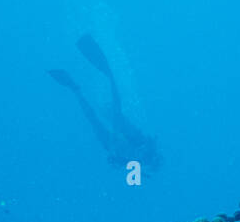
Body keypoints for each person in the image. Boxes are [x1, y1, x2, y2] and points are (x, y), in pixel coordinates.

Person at [49, 34, 161, 170]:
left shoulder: (131, 157)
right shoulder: (140, 146)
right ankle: (104, 71)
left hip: (115, 146)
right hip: (124, 142)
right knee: (112, 113)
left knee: (97, 118)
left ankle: (76, 86)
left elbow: (118, 160)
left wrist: (117, 157)